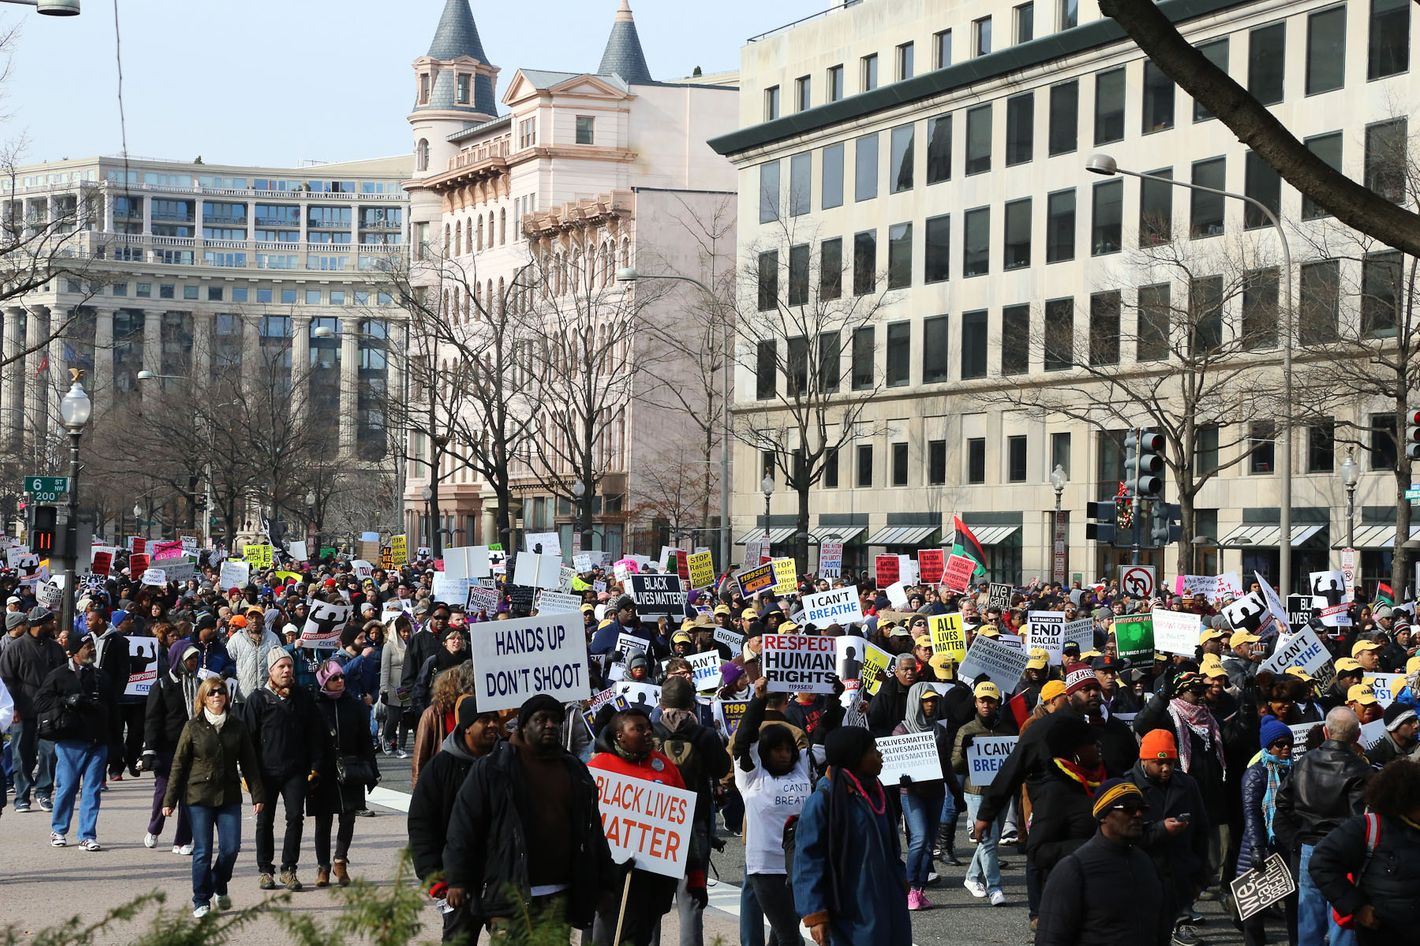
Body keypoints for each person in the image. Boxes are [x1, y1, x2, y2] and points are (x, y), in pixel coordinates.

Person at [443, 695, 615, 944]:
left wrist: (605, 884)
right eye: (541, 719)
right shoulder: (493, 768)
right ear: (523, 726)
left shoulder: (575, 769)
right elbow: (464, 826)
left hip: (559, 898)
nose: (550, 725)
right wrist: (457, 879)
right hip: (510, 896)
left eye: (555, 720)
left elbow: (592, 831)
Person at [792, 727, 911, 946]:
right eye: (873, 751)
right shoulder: (824, 800)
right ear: (855, 757)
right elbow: (807, 861)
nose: (880, 755)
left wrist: (900, 879)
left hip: (889, 899)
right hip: (852, 908)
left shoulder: (877, 790)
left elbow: (892, 845)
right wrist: (815, 914)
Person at [162, 676, 266, 918]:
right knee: (203, 851)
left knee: (231, 848)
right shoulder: (192, 727)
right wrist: (169, 800)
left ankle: (218, 882)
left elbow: (250, 763)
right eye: (211, 693)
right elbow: (178, 765)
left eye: (220, 692)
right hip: (198, 796)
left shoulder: (237, 726)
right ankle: (201, 899)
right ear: (203, 698)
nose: (217, 696)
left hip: (228, 795)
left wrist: (257, 795)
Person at [588, 710, 690, 946]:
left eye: (648, 727)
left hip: (655, 877)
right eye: (638, 728)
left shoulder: (664, 765)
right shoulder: (599, 767)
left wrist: (693, 873)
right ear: (619, 736)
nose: (647, 733)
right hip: (612, 879)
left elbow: (684, 820)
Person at [1274, 706, 1373, 946]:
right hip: (1342, 852)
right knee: (1343, 920)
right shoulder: (1361, 770)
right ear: (1357, 736)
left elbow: (1283, 802)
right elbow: (1358, 818)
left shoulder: (1304, 762)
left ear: (1326, 733)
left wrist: (1301, 831)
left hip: (1310, 847)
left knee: (1310, 921)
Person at [407, 693, 501, 943]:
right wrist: (434, 877)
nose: (493, 725)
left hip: (501, 881)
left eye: (495, 719)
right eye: (484, 720)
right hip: (459, 883)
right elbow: (421, 825)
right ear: (467, 727)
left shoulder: (507, 763)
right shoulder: (440, 768)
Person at [1035, 778, 1169, 946]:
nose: (1138, 814)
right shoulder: (1074, 869)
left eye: (1142, 808)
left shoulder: (1147, 864)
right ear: (1103, 816)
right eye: (1128, 809)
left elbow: (1162, 932)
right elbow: (1051, 939)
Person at [651, 676, 731, 946]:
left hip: (655, 822)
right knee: (691, 900)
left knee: (651, 902)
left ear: (662, 703)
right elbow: (722, 768)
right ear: (691, 705)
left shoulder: (649, 733)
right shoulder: (703, 735)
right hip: (693, 822)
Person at [734, 678, 815, 946]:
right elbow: (744, 738)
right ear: (764, 753)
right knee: (790, 936)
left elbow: (826, 732)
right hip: (766, 868)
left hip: (798, 865)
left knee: (783, 934)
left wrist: (835, 696)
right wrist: (757, 701)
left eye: (787, 750)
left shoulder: (801, 769)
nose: (783, 755)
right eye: (776, 750)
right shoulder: (752, 776)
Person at [1308, 758, 1420, 945]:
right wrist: (1357, 907)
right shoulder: (1368, 827)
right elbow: (1321, 863)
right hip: (1383, 934)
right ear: (1407, 801)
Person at [239, 648, 325, 891]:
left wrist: (315, 766)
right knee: (264, 821)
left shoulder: (302, 697)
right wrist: (248, 773)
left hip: (296, 770)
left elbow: (314, 734)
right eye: (281, 667)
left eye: (289, 666)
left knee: (295, 817)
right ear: (271, 671)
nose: (286, 670)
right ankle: (265, 870)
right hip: (265, 772)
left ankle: (289, 869)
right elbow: (248, 740)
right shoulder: (257, 699)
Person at [34, 630, 115, 850]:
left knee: (92, 790)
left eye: (93, 645)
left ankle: (87, 835)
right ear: (75, 652)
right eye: (87, 646)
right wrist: (66, 701)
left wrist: (115, 744)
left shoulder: (102, 677)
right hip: (70, 741)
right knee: (67, 787)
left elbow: (113, 709)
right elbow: (39, 702)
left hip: (98, 741)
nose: (92, 649)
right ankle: (59, 830)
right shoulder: (59, 675)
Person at [1129, 729, 1210, 946]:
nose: (1166, 768)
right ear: (1144, 759)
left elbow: (1201, 831)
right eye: (1159, 763)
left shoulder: (1187, 785)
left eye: (1171, 763)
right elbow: (1123, 836)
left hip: (1179, 875)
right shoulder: (1128, 787)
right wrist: (1160, 830)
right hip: (1141, 877)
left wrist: (1200, 876)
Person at [308, 659, 380, 888]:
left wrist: (372, 770)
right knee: (323, 819)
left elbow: (366, 740)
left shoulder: (355, 705)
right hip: (323, 769)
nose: (339, 682)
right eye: (333, 679)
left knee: (348, 815)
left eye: (341, 677)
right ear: (323, 682)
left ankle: (340, 861)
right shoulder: (315, 706)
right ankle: (323, 867)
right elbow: (306, 740)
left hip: (351, 766)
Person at [952, 680, 1017, 907]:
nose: (986, 705)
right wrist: (964, 750)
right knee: (989, 839)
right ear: (975, 703)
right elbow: (956, 766)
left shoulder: (1006, 729)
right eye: (982, 701)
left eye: (990, 701)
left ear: (997, 702)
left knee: (990, 839)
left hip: (1000, 792)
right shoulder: (967, 730)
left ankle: (971, 877)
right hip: (977, 792)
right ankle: (995, 887)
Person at [1237, 716, 1297, 946]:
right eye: (1279, 744)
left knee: (1294, 906)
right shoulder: (1256, 773)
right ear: (1268, 745)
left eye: (1288, 744)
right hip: (1259, 847)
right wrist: (1256, 849)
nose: (1285, 749)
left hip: (1288, 845)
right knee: (1254, 914)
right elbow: (1251, 814)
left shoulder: (1295, 768)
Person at [0, 607, 63, 813]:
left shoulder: (56, 648)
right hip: (23, 711)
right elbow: (7, 680)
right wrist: (13, 708)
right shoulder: (15, 648)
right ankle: (22, 796)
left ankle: (44, 792)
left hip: (50, 712)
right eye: (50, 622)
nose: (53, 625)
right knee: (21, 754)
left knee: (49, 753)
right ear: (39, 625)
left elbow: (65, 676)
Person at [140, 640, 200, 854]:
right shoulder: (163, 685)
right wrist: (149, 750)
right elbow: (152, 719)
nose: (193, 662)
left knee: (189, 794)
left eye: (195, 658)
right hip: (167, 749)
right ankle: (155, 828)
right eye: (189, 658)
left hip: (193, 748)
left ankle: (182, 840)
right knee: (164, 791)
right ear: (178, 660)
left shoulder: (200, 684)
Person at [226, 608, 281, 704]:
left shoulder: (273, 638)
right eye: (251, 618)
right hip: (243, 697)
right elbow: (228, 662)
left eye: (258, 617)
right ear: (246, 620)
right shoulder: (236, 639)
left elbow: (279, 663)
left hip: (267, 696)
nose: (255, 621)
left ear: (262, 620)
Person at [379, 614, 413, 757]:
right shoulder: (389, 646)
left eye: (408, 631)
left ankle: (401, 747)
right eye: (403, 631)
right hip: (393, 687)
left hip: (407, 687)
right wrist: (383, 688)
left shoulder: (412, 644)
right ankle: (386, 738)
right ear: (397, 631)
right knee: (392, 719)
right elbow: (385, 668)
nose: (406, 634)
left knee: (406, 718)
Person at [1366, 701, 1418, 767]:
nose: (1416, 725)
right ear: (1394, 726)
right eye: (1409, 722)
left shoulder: (1416, 745)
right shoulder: (1377, 758)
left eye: (1415, 720)